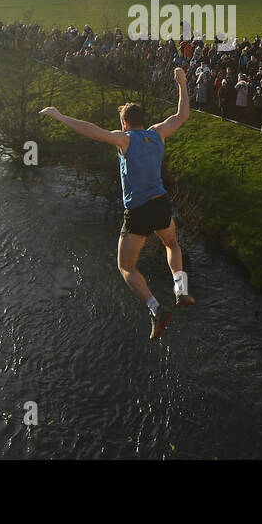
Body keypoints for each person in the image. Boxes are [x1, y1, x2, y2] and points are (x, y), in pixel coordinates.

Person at [39, 66, 196, 341]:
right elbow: (182, 114)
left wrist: (60, 116)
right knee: (172, 244)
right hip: (161, 205)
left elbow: (92, 131)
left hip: (138, 212)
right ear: (142, 120)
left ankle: (155, 308)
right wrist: (182, 83)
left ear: (124, 123)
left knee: (126, 267)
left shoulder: (124, 140)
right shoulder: (157, 133)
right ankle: (181, 290)